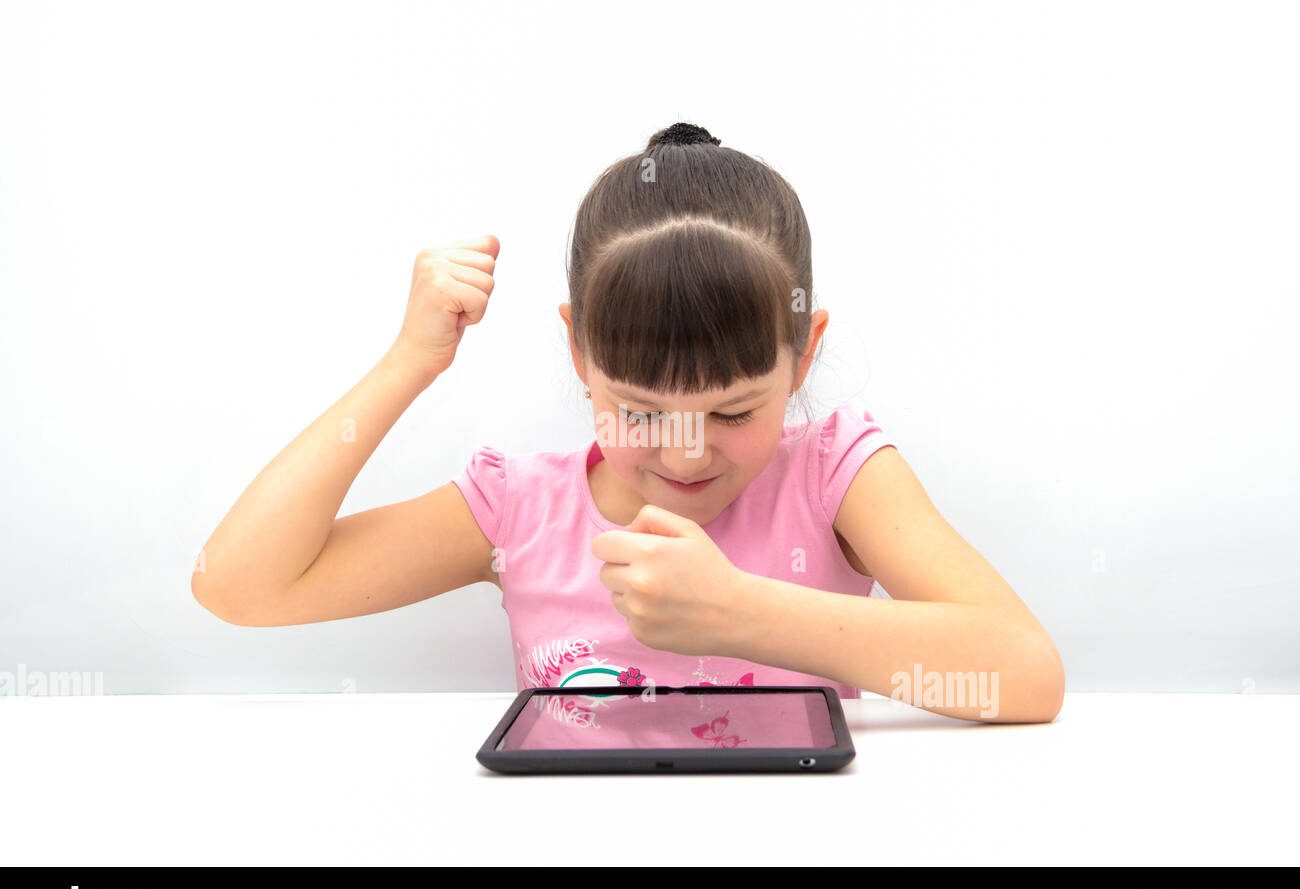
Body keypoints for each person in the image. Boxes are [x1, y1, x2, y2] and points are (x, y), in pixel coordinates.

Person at [191, 122, 1065, 725]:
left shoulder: (836, 477)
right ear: (579, 356)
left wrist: (738, 612)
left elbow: (1026, 671)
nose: (685, 451)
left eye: (732, 410)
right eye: (641, 411)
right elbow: (240, 586)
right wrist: (407, 363)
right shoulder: (518, 510)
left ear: (803, 359)